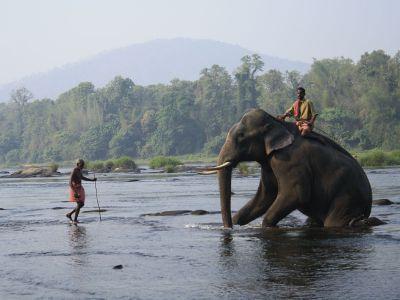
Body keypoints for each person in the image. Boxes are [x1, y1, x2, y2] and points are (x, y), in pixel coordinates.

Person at [66, 159, 97, 224]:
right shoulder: (74, 170)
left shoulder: (79, 170)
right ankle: (75, 220)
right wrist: (75, 192)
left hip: (80, 188)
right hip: (75, 188)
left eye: (83, 165)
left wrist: (92, 180)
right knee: (80, 204)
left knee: (81, 204)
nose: (82, 166)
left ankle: (70, 214)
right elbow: (70, 182)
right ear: (77, 164)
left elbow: (82, 177)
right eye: (81, 165)